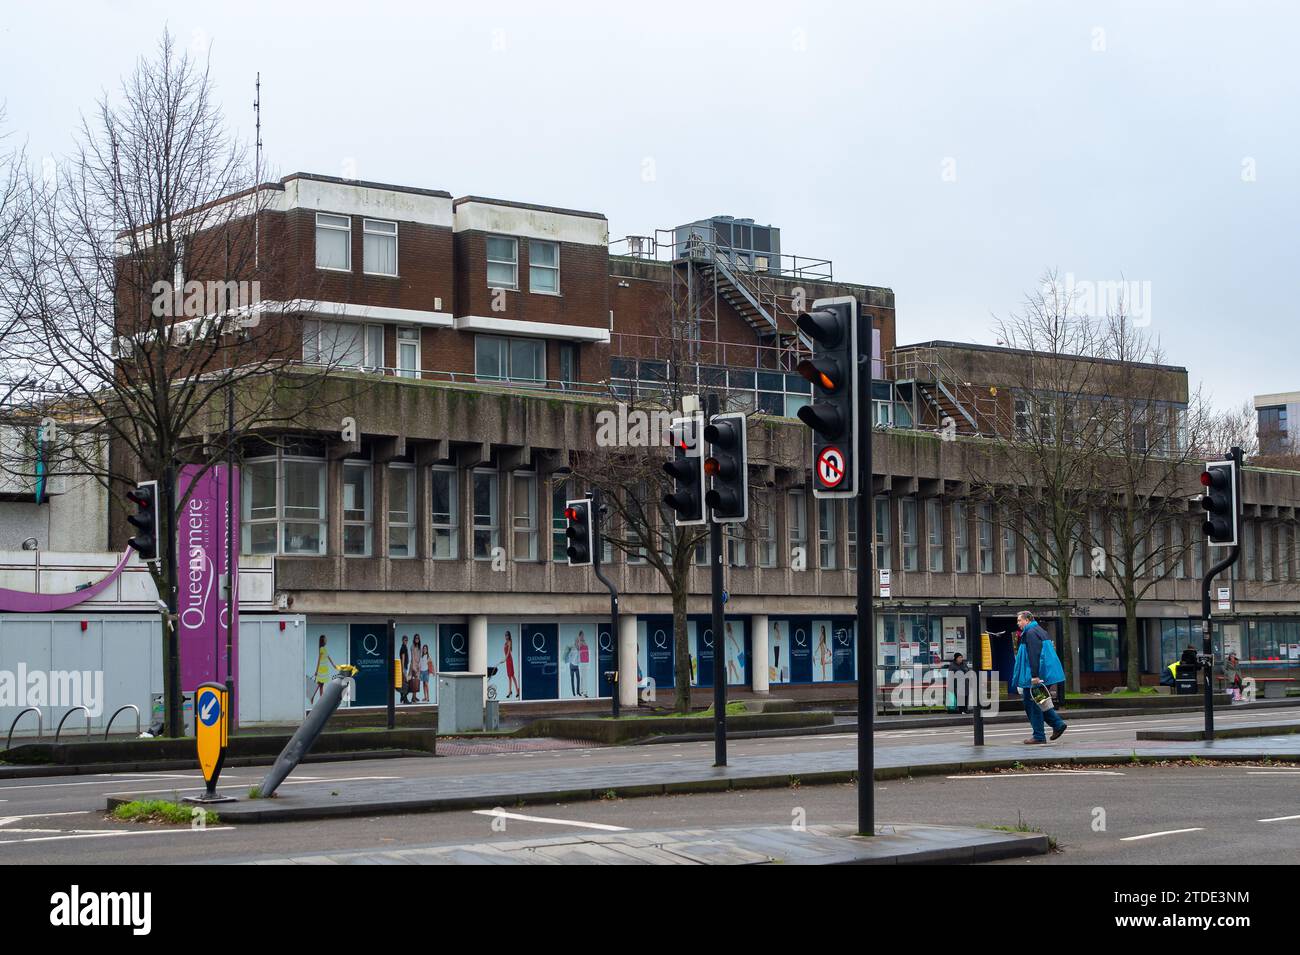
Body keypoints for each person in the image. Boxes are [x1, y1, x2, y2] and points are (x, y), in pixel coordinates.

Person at [1011, 611, 1068, 744]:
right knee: (1040, 702)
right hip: (1044, 674)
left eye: (1020, 620)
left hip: (1036, 676)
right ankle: (1057, 724)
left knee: (1032, 704)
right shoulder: (1038, 630)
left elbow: (1034, 655)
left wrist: (1035, 676)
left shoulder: (1030, 633)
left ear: (1028, 620)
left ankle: (1039, 736)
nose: (1018, 623)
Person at [310, 634, 335, 704]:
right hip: (321, 670)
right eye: (325, 639)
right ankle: (313, 697)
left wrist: (333, 665)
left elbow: (328, 657)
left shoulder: (324, 649)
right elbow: (319, 660)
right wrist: (316, 671)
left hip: (324, 670)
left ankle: (321, 701)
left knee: (321, 685)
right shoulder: (321, 649)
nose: (326, 640)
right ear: (322, 641)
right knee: (319, 685)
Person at [398, 635, 411, 704]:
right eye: (405, 640)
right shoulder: (403, 648)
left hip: (405, 667)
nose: (406, 641)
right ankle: (404, 698)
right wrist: (403, 669)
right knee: (405, 684)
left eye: (407, 640)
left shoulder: (405, 647)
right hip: (404, 668)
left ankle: (403, 698)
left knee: (404, 684)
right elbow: (403, 659)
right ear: (402, 640)